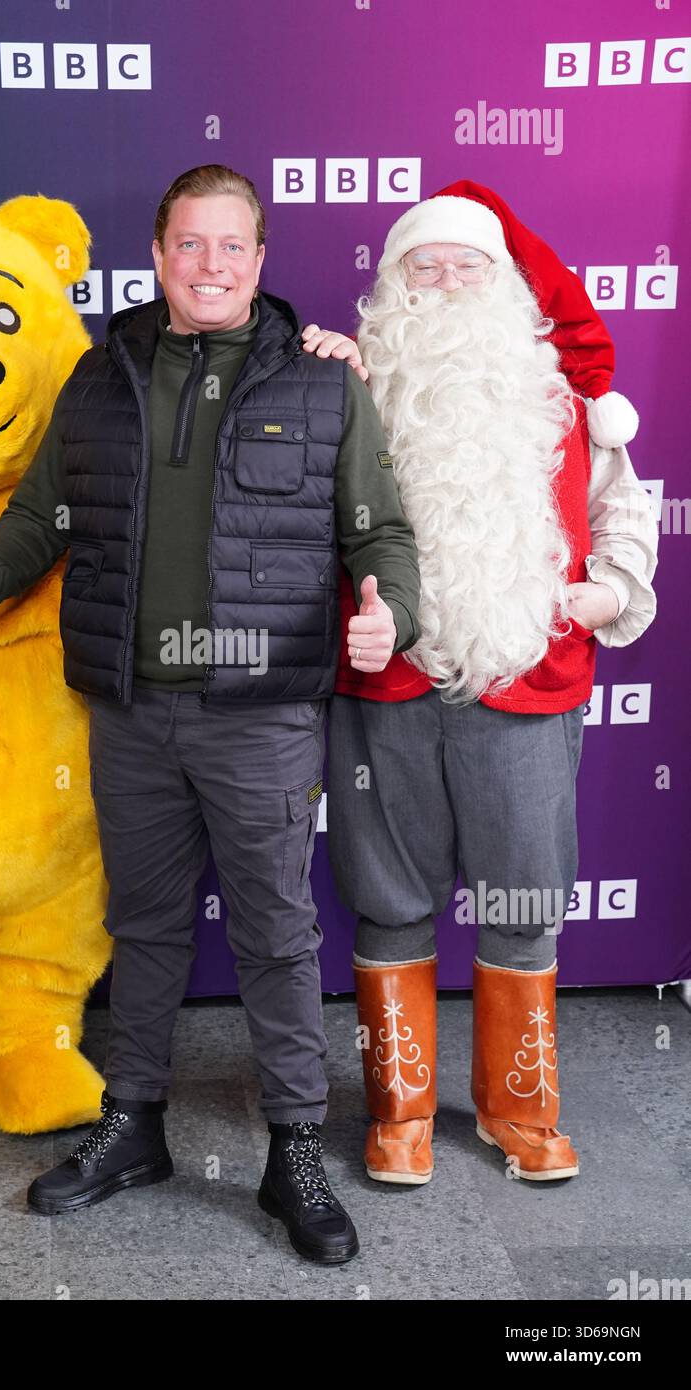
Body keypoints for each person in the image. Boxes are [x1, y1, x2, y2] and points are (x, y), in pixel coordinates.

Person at [0, 164, 421, 1264]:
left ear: (260, 258)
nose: (209, 265)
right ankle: (134, 1122)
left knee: (278, 937)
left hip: (261, 718)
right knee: (142, 931)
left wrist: (397, 619)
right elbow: (42, 516)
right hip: (133, 715)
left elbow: (380, 538)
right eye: (188, 245)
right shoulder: (99, 380)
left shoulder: (325, 385)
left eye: (229, 246)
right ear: (157, 256)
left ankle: (293, 1146)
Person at [303, 180, 658, 1186]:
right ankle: (400, 1112)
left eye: (470, 267)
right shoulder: (356, 392)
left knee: (523, 899)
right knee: (390, 899)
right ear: (396, 285)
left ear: (504, 285)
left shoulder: (564, 403)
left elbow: (625, 508)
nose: (449, 283)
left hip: (527, 679)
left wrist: (607, 592)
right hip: (389, 688)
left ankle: (520, 1113)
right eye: (428, 266)